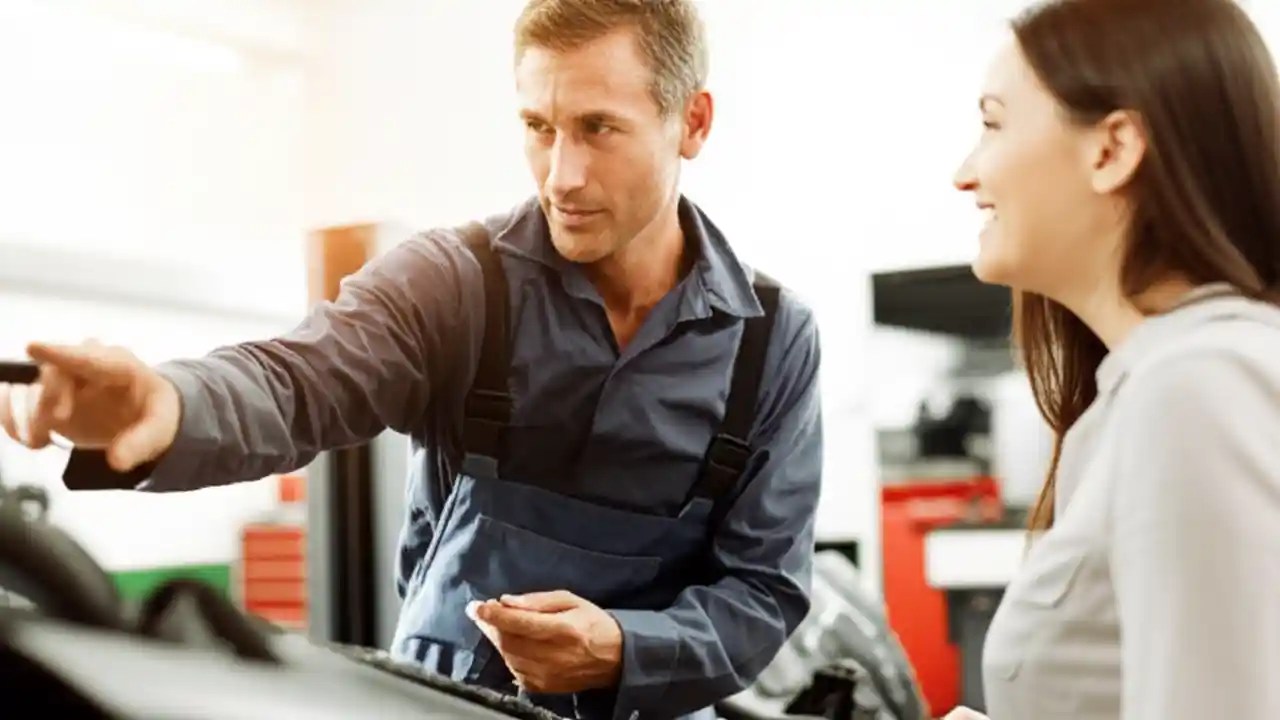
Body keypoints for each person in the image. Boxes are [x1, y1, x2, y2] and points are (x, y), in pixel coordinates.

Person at [0, 1, 823, 718]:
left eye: (599, 129)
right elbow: (297, 381)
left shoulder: (771, 341)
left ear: (694, 122)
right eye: (538, 128)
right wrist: (166, 404)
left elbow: (764, 589)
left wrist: (625, 649)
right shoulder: (457, 283)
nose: (561, 177)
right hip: (439, 702)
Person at [945, 0, 1280, 718]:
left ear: (1112, 149)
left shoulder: (1199, 387)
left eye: (994, 123)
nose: (964, 174)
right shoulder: (1145, 391)